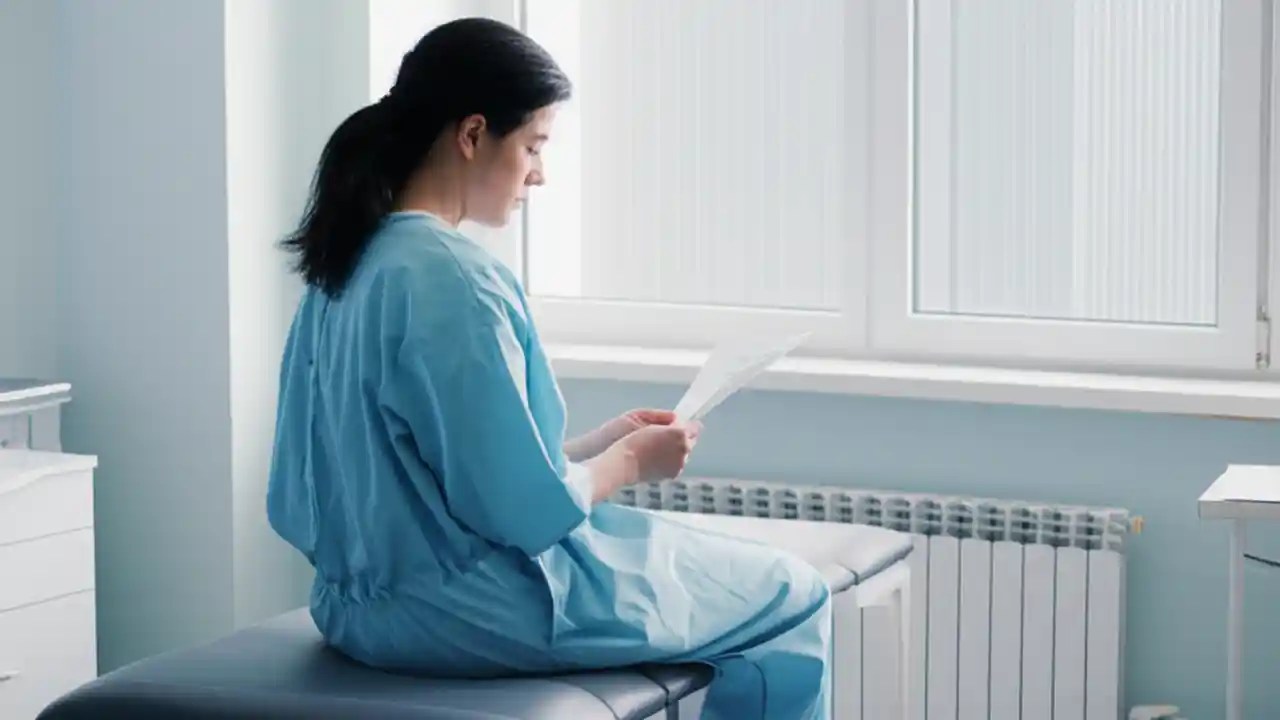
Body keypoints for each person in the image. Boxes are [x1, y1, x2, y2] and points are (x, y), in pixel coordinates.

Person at [267, 17, 832, 719]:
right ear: (473, 134)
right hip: (463, 614)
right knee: (792, 594)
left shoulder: (343, 268)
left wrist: (598, 446)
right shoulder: (455, 278)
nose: (540, 173)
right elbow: (523, 512)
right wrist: (631, 462)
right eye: (533, 146)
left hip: (352, 610)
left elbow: (404, 475)